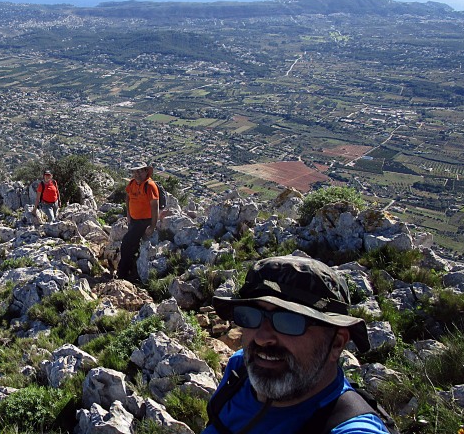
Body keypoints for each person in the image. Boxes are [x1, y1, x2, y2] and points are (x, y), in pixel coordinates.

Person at [202, 255, 391, 434]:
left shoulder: (351, 427)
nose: (261, 338)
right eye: (251, 315)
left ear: (337, 343)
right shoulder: (241, 369)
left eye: (289, 321)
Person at [117, 162, 159, 282]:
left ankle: (122, 274)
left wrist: (152, 226)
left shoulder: (150, 186)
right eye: (135, 171)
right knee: (133, 246)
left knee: (126, 244)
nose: (137, 174)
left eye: (140, 171)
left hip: (144, 221)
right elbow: (128, 197)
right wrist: (128, 214)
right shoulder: (132, 183)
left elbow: (154, 206)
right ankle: (131, 271)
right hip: (134, 220)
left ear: (146, 171)